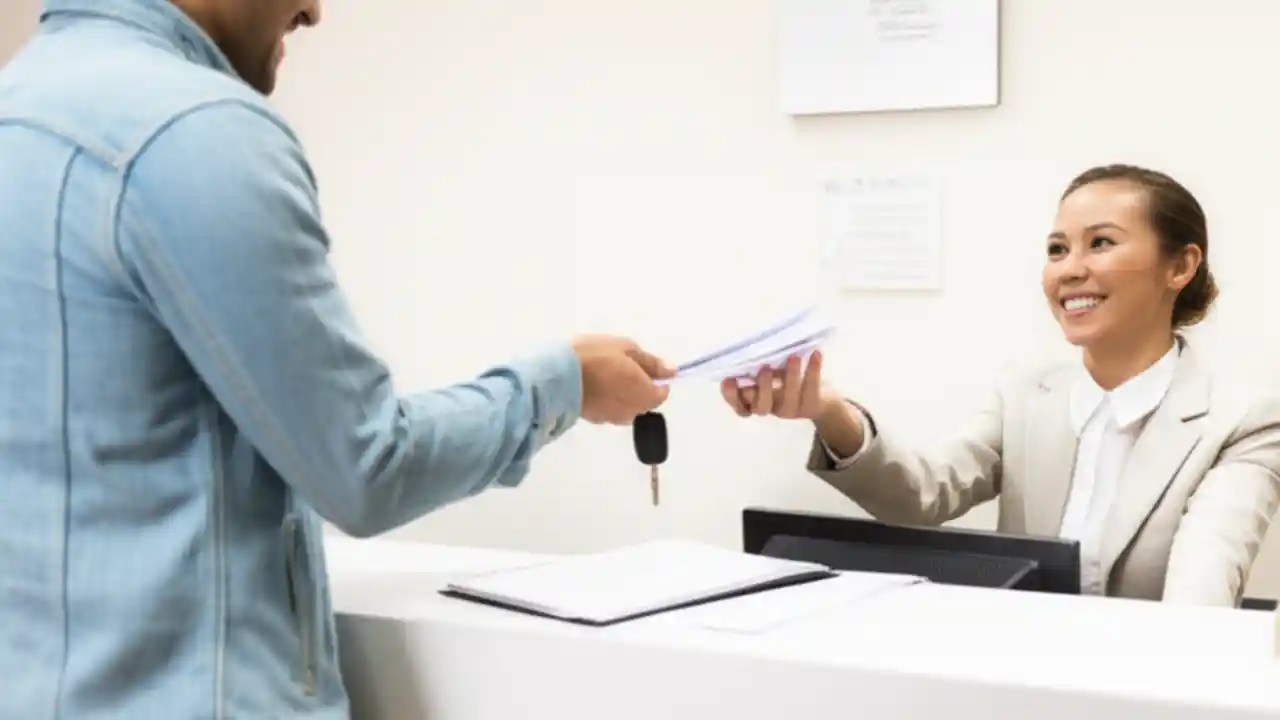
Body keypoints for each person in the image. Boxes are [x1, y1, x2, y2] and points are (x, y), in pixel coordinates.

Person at [0, 1, 673, 717]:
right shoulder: (196, 133)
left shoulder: (20, 106)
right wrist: (562, 382)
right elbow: (366, 467)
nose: (314, 11)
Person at [723, 163, 1280, 608]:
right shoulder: (1024, 395)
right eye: (1057, 249)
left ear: (1180, 267)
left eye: (1101, 243)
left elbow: (1199, 596)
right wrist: (827, 409)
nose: (1069, 269)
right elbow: (923, 495)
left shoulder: (1243, 423)